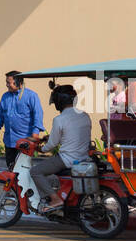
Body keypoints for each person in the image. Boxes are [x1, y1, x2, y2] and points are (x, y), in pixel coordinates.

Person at [30, 85, 92, 213]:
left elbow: (52, 144)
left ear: (60, 101)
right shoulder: (85, 115)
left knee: (35, 171)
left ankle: (55, 199)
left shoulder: (59, 119)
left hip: (67, 159)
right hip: (84, 157)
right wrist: (51, 137)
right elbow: (73, 135)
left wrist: (40, 149)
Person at [0, 71, 44, 168]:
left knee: (23, 171)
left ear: (19, 83)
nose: (6, 85)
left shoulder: (31, 96)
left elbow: (38, 115)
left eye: (9, 82)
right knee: (11, 170)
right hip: (9, 142)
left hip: (25, 143)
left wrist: (35, 133)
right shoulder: (5, 96)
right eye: (6, 82)